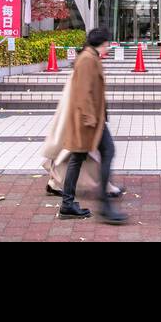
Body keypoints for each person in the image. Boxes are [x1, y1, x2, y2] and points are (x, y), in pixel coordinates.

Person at [57, 27, 127, 224]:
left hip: (90, 120)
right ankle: (103, 206)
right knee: (107, 152)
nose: (109, 48)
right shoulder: (88, 59)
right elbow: (82, 92)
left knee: (78, 158)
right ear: (101, 43)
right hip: (88, 121)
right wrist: (91, 119)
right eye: (108, 44)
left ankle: (68, 204)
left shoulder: (90, 56)